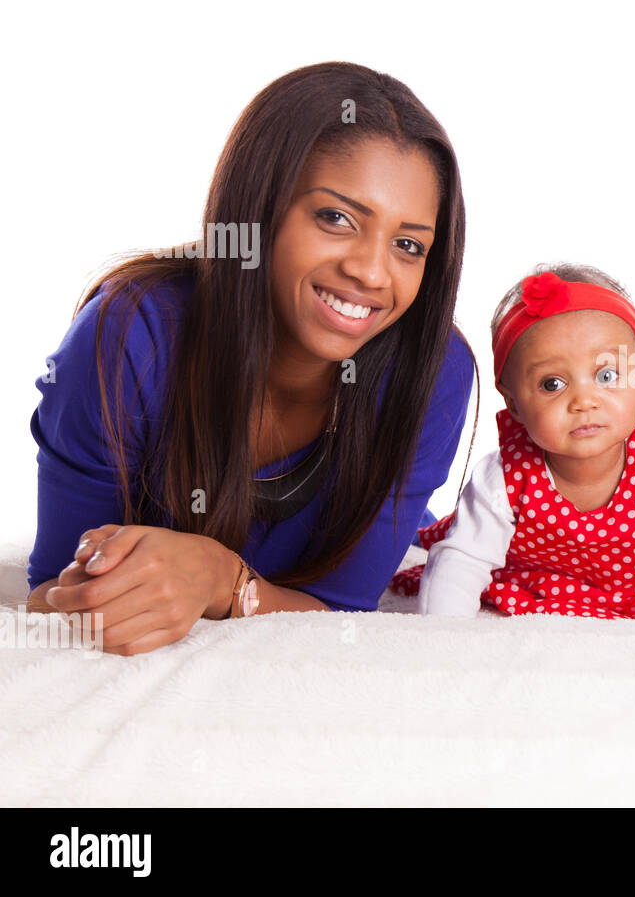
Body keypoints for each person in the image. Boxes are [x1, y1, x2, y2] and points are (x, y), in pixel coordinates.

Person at [26, 62, 474, 654]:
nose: (370, 271)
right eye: (336, 218)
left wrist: (220, 578)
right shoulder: (130, 336)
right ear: (259, 211)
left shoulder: (431, 369)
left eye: (408, 245)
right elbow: (56, 593)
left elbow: (343, 608)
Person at [396, 265, 635, 623]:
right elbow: (462, 560)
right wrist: (442, 637)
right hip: (533, 594)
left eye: (606, 376)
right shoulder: (504, 475)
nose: (583, 401)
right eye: (552, 384)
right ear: (513, 403)